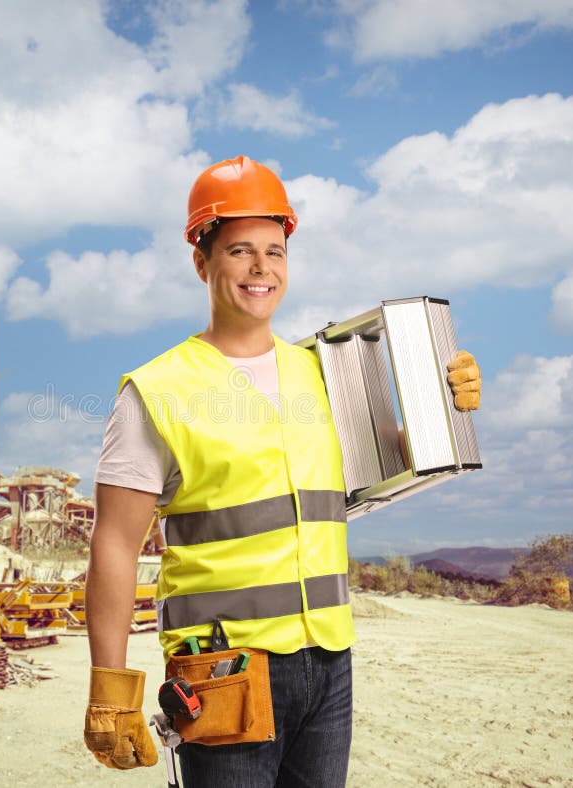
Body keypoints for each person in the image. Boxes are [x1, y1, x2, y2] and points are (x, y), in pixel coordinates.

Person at [83, 156, 481, 787]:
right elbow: (113, 543)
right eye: (240, 250)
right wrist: (110, 688)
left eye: (275, 250)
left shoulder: (316, 373)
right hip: (223, 669)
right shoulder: (156, 390)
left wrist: (441, 408)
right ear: (201, 261)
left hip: (329, 660)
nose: (261, 267)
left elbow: (366, 468)